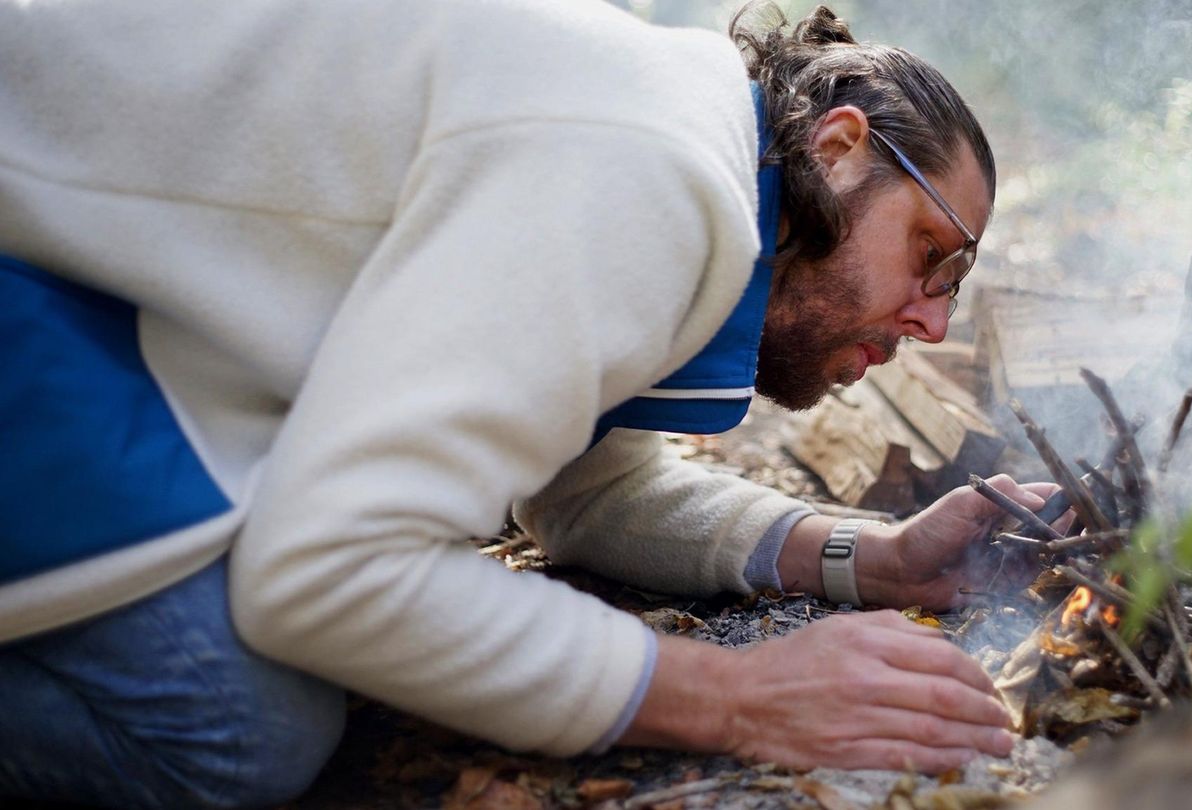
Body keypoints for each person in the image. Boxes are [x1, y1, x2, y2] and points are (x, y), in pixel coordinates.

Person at [0, 0, 1062, 806]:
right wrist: (739, 695)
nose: (930, 323)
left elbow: (581, 492)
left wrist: (867, 558)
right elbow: (320, 575)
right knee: (238, 725)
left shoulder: (677, 144)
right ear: (837, 149)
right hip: (39, 274)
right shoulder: (648, 168)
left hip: (96, 284)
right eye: (934, 258)